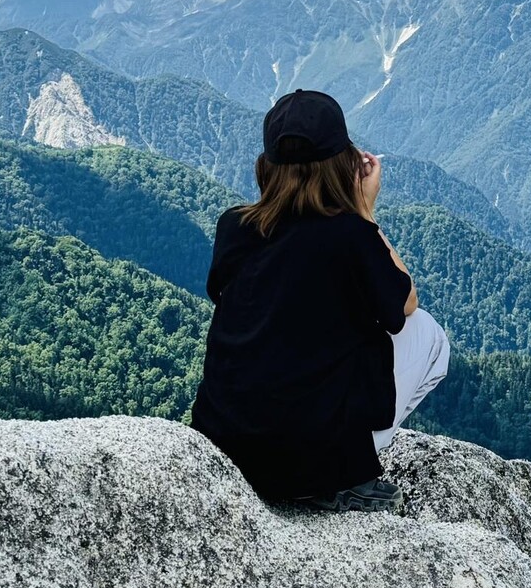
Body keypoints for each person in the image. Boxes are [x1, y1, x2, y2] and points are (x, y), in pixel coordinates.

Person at [188, 88, 450, 512]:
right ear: (344, 164)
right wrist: (364, 213)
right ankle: (350, 474)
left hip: (226, 448)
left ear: (266, 166)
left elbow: (222, 292)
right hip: (311, 468)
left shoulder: (234, 226)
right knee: (431, 336)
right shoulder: (349, 235)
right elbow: (403, 305)